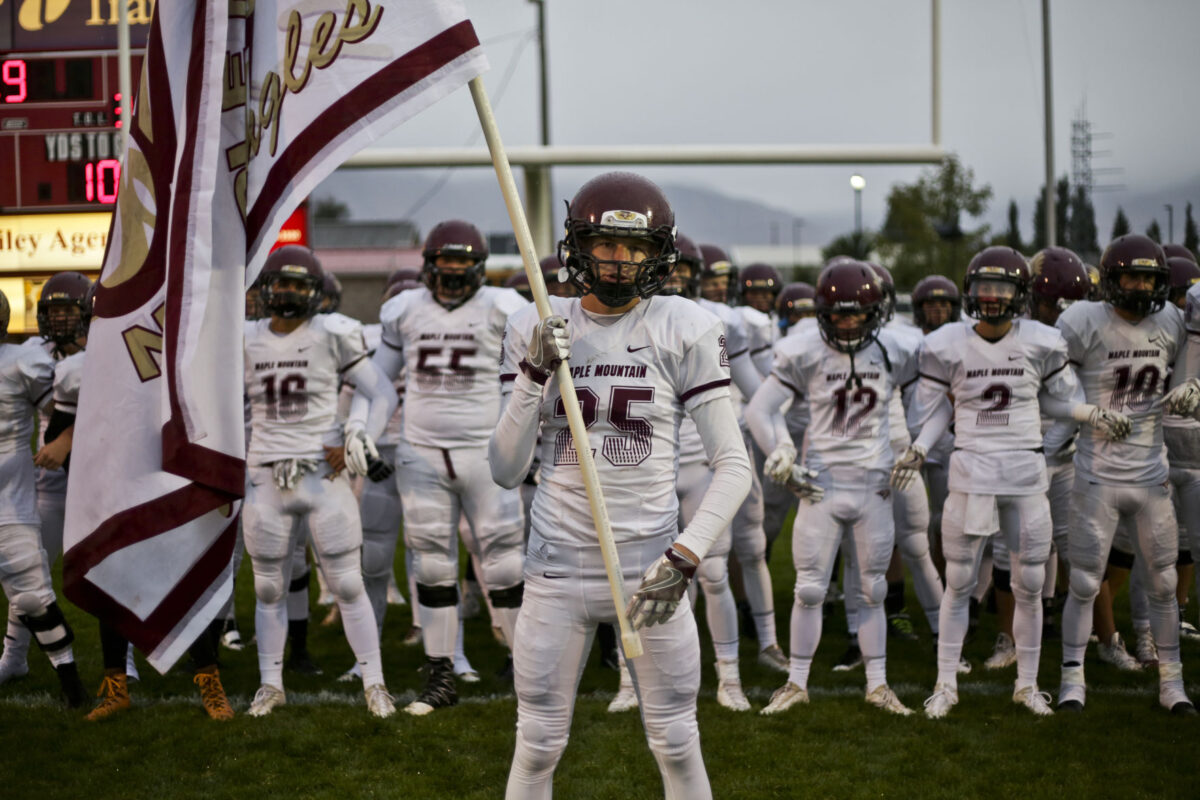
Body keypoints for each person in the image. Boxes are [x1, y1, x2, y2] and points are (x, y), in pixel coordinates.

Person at [491, 172, 750, 800]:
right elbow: (503, 469)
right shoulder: (536, 323)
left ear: (659, 251)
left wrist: (686, 556)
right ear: (579, 245)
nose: (620, 261)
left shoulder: (684, 324)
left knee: (676, 739)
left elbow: (734, 464)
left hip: (650, 567)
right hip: (556, 569)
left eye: (635, 247)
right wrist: (533, 373)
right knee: (538, 744)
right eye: (606, 244)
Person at [895, 246, 1122, 719]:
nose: (992, 297)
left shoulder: (1041, 341)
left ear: (1020, 294)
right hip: (973, 472)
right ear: (970, 291)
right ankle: (945, 684)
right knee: (958, 581)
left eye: (1001, 289)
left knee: (1031, 582)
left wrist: (1086, 412)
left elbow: (1058, 402)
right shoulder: (946, 343)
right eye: (984, 288)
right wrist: (919, 447)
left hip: (1023, 472)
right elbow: (936, 410)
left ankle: (1027, 684)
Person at [362, 220, 528, 715]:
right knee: (431, 562)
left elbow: (523, 384)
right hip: (422, 452)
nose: (452, 273)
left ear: (479, 267)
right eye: (444, 263)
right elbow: (378, 382)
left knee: (504, 561)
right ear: (428, 265)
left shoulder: (505, 307)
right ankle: (440, 677)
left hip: (484, 452)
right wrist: (361, 429)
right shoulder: (405, 309)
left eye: (461, 264)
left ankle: (527, 671)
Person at [746, 259, 917, 717]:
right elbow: (759, 411)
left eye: (855, 313)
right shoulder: (804, 350)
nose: (846, 322)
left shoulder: (897, 348)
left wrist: (916, 445)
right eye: (837, 314)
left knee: (873, 590)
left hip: (874, 486)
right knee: (809, 590)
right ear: (822, 313)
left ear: (875, 312)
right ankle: (796, 682)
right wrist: (781, 449)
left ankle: (877, 683)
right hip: (820, 487)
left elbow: (928, 401)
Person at [242, 245, 398, 719]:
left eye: (297, 284)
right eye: (280, 283)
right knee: (268, 588)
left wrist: (358, 440)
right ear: (266, 288)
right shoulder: (244, 339)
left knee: (347, 582)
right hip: (267, 473)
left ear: (314, 292)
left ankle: (375, 683)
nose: (287, 291)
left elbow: (382, 392)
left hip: (320, 473)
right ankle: (271, 684)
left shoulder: (333, 333)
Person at [1054, 234, 1195, 714]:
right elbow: (1052, 395)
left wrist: (1193, 388)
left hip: (1151, 473)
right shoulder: (1081, 322)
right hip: (1096, 475)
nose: (1140, 286)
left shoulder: (1173, 321)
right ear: (1110, 280)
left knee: (1161, 581)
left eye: (1150, 277)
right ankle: (1072, 678)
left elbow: (1187, 377)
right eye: (1131, 276)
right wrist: (1088, 414)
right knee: (1085, 582)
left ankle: (1172, 682)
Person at [0, 289, 88, 709]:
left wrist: (67, 439)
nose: (60, 319)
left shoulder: (22, 361)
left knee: (33, 594)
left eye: (68, 309)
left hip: (12, 498)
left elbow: (75, 410)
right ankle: (12, 659)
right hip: (36, 487)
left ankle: (73, 683)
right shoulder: (34, 352)